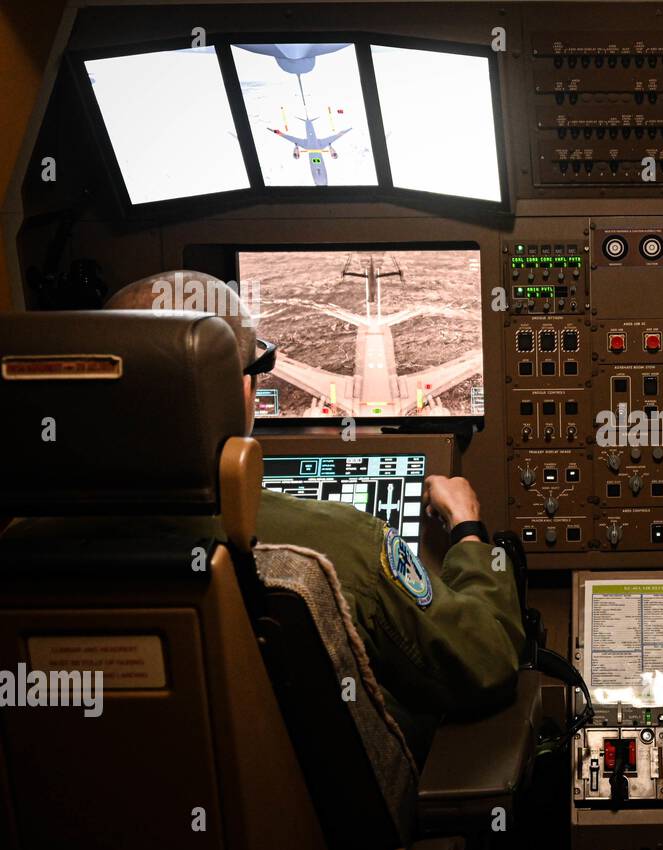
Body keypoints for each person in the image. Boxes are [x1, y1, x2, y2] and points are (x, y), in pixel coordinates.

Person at [4, 271, 523, 755]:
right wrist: (468, 532)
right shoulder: (337, 548)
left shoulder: (20, 546)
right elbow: (485, 663)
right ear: (242, 388)